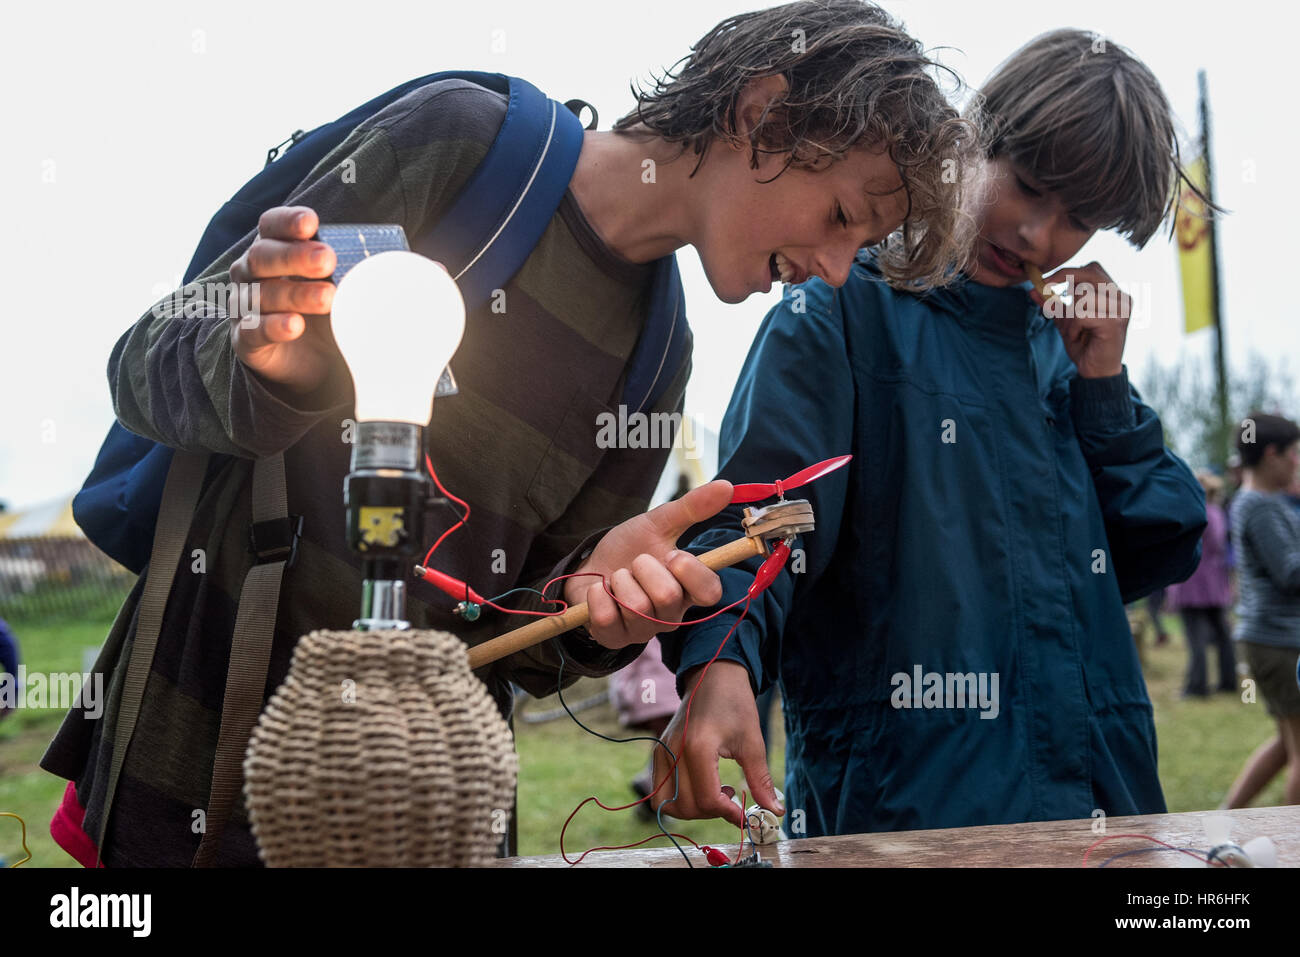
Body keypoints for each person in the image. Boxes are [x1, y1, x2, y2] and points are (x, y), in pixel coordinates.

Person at [40, 0, 978, 865]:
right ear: (763, 115)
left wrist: (595, 605)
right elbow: (145, 364)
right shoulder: (465, 144)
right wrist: (269, 362)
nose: (835, 270)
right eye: (844, 216)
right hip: (203, 773)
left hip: (438, 814)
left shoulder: (659, 356)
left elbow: (511, 639)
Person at [656, 28, 1208, 836]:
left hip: (1108, 817)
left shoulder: (1067, 351)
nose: (1036, 235)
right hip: (907, 820)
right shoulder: (843, 310)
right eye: (1026, 185)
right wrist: (721, 659)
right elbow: (754, 524)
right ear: (974, 138)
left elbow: (1156, 549)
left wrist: (1106, 391)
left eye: (1078, 218)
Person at [1222, 412, 1300, 808]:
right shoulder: (1261, 506)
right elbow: (1290, 572)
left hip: (1268, 638)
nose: (1296, 462)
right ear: (1272, 454)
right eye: (1293, 454)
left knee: (1289, 744)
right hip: (1281, 642)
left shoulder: (1255, 502)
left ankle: (1223, 818)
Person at [1166, 470, 1237, 697]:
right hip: (1215, 583)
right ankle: (1229, 680)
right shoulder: (1217, 512)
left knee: (1195, 636)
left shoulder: (1193, 513)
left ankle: (1197, 686)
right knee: (1222, 634)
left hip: (1192, 583)